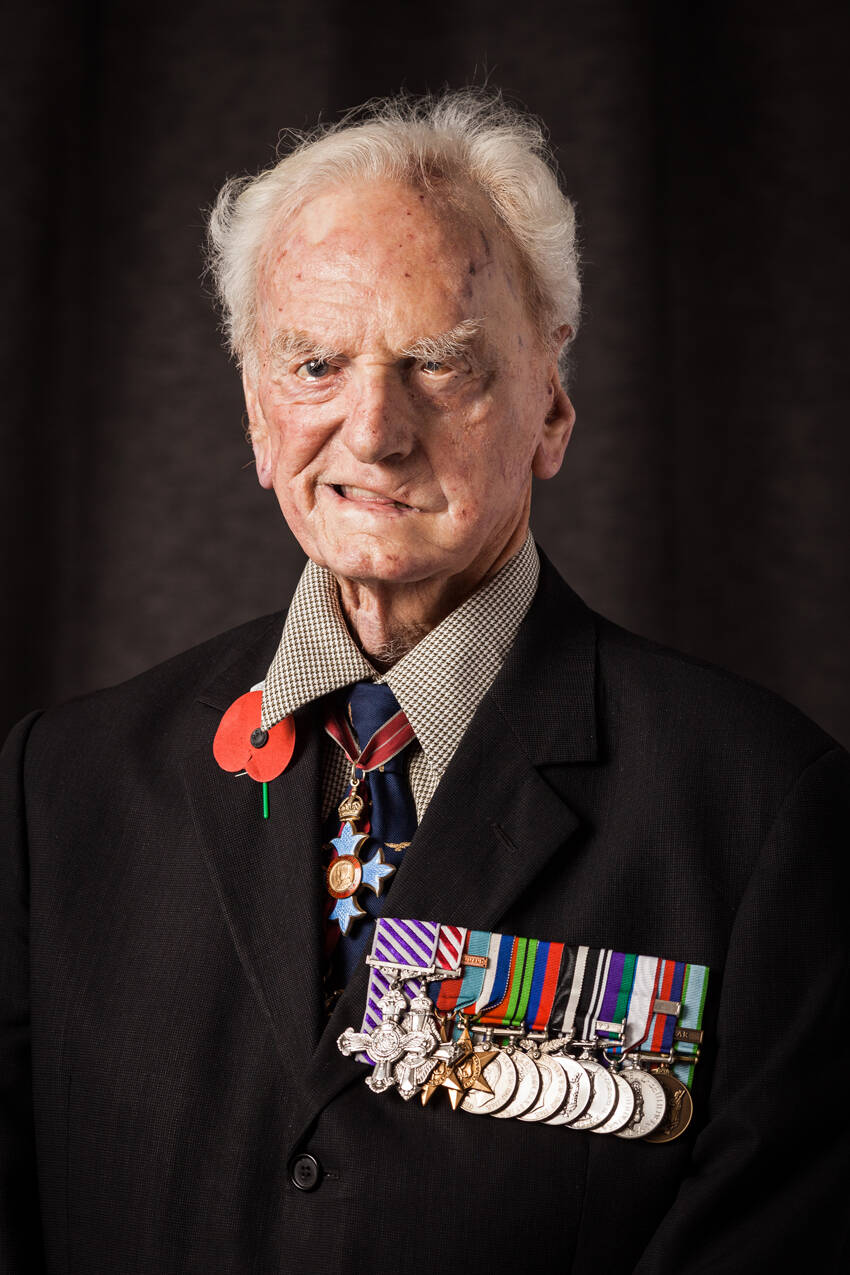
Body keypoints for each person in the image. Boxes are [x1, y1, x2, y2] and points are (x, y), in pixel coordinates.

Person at [1, 91, 847, 1274]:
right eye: (314, 362)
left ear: (550, 405)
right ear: (256, 413)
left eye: (437, 364)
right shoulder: (60, 786)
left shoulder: (761, 808)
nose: (373, 430)